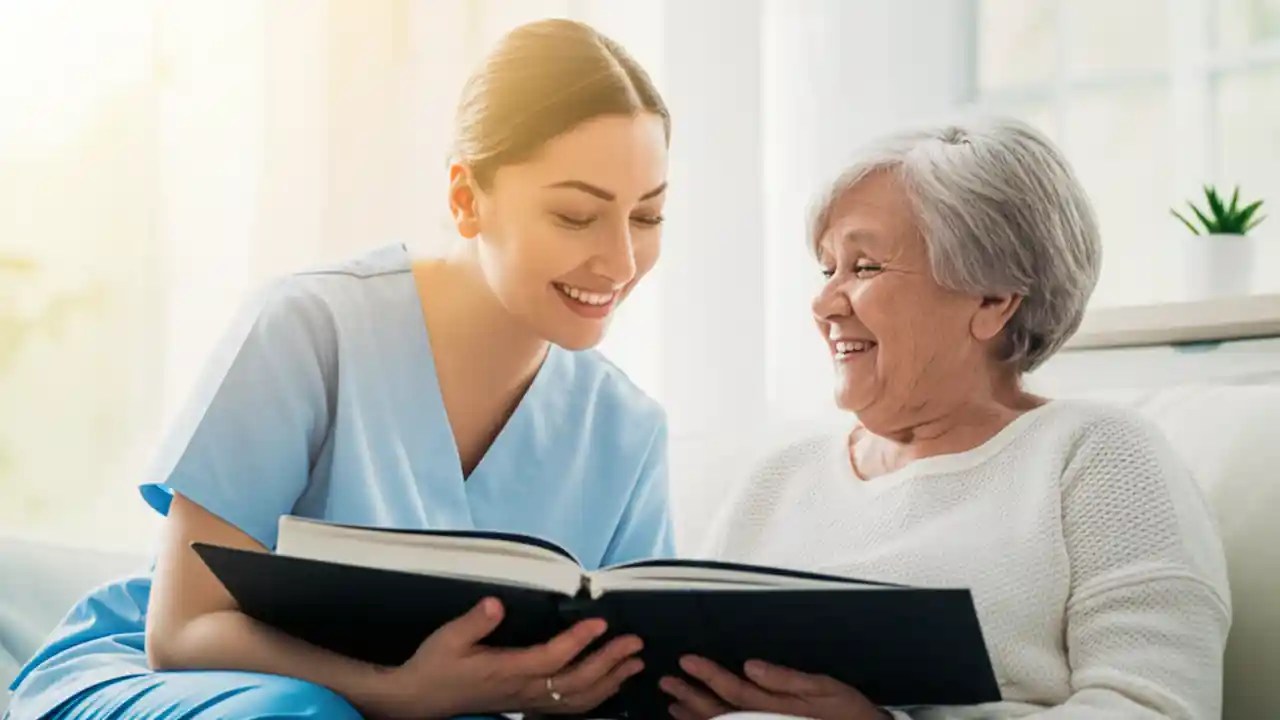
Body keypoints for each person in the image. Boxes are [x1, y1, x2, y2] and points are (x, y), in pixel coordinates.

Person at [8, 18, 674, 720]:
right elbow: (180, 633)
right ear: (464, 197)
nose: (621, 263)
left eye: (648, 217)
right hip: (187, 679)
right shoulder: (310, 328)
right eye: (576, 216)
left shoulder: (626, 432)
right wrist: (403, 695)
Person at [660, 118, 1231, 720]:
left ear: (992, 300)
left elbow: (1156, 710)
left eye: (865, 267)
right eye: (828, 268)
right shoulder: (779, 477)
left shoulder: (1096, 456)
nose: (825, 303)